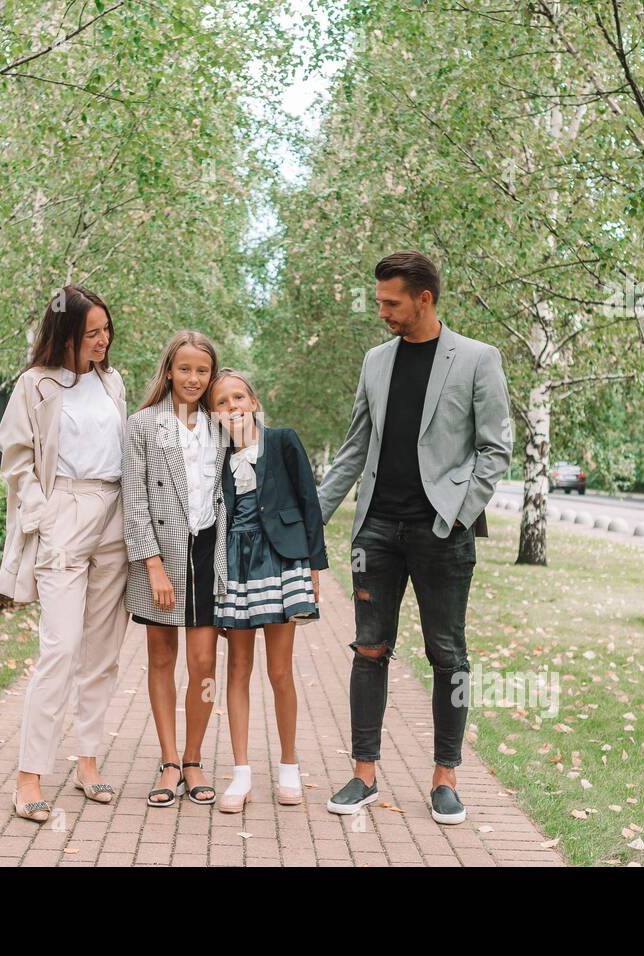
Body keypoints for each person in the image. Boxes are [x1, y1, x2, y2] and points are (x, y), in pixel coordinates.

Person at [317, 250, 512, 825]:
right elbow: (355, 446)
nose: (381, 311)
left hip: (441, 531)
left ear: (424, 299)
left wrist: (456, 512)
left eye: (391, 302)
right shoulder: (376, 361)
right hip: (376, 528)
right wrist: (314, 516)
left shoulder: (478, 359)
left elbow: (495, 448)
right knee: (368, 649)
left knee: (447, 653)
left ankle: (446, 777)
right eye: (379, 301)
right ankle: (363, 775)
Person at [0, 285, 128, 822]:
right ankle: (29, 776)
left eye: (105, 331)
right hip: (65, 511)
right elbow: (16, 457)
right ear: (66, 334)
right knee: (61, 647)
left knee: (102, 652)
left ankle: (88, 761)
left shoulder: (112, 381)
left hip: (113, 512)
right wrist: (44, 517)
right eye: (91, 332)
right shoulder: (36, 384)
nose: (102, 341)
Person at [209, 368, 326, 813]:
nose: (232, 406)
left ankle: (289, 766)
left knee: (280, 670)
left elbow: (309, 502)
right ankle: (240, 773)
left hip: (282, 561)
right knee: (238, 669)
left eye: (239, 397)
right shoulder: (215, 456)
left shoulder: (283, 441)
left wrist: (316, 565)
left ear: (253, 402)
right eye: (221, 402)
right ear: (213, 414)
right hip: (236, 564)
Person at [121, 331, 227, 807]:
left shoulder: (222, 423)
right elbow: (134, 501)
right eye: (184, 368)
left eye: (202, 370)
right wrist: (154, 566)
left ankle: (193, 758)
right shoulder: (143, 425)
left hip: (208, 552)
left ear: (211, 375)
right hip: (159, 556)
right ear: (168, 371)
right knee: (162, 659)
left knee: (203, 662)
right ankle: (168, 761)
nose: (193, 378)